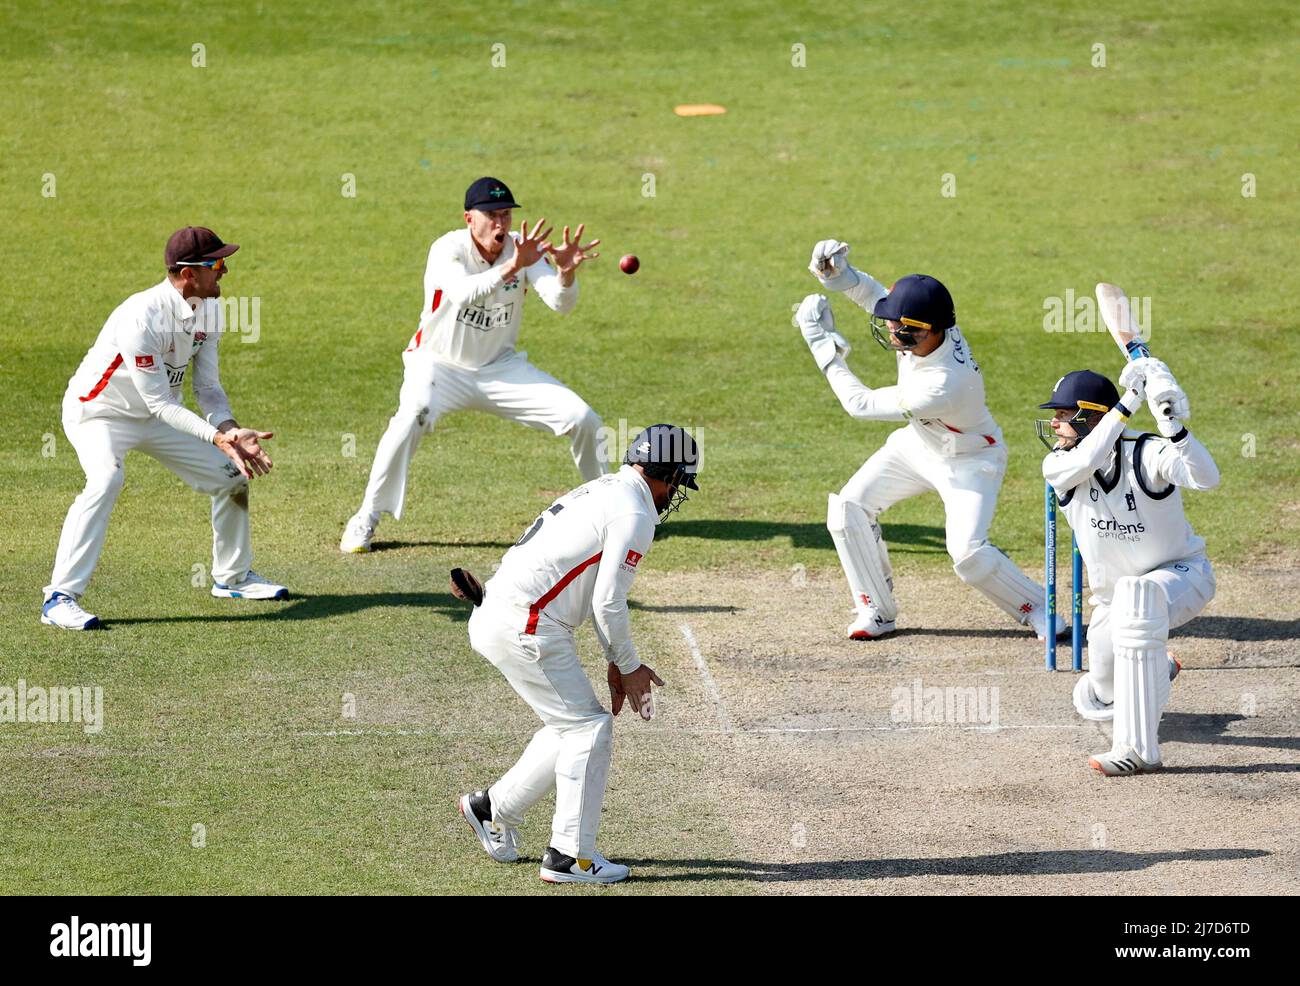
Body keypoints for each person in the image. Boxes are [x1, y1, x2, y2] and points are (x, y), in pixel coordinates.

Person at [452, 424, 699, 884]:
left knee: (570, 726)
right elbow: (607, 601)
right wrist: (629, 666)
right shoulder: (636, 514)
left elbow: (593, 592)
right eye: (678, 481)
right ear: (663, 472)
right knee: (589, 727)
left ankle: (492, 808)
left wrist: (613, 658)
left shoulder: (606, 487)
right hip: (526, 624)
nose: (675, 493)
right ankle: (570, 858)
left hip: (504, 613)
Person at [795, 239, 1060, 640]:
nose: (890, 329)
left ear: (931, 331)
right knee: (848, 508)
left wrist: (821, 344)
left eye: (901, 327)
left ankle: (1039, 607)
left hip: (971, 460)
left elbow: (860, 403)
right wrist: (836, 274)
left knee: (967, 554)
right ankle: (877, 611)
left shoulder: (943, 384)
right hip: (919, 445)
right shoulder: (921, 326)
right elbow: (874, 295)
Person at [340, 177, 607, 553]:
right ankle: (366, 516)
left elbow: (561, 304)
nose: (501, 224)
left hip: (500, 368)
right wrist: (515, 265)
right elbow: (464, 293)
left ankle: (608, 513)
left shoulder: (521, 250)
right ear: (469, 218)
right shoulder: (447, 248)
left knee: (583, 418)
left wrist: (565, 272)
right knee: (413, 414)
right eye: (491, 215)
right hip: (437, 364)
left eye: (506, 215)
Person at [42, 226, 285, 630]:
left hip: (155, 417)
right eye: (218, 264)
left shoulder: (209, 308)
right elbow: (160, 401)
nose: (225, 271)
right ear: (189, 273)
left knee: (231, 475)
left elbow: (207, 388)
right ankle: (59, 597)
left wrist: (229, 429)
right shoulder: (142, 317)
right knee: (106, 479)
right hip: (99, 413)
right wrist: (216, 437)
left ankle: (233, 578)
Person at [1037, 364, 1218, 775]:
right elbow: (1091, 456)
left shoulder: (1148, 452)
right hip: (1111, 604)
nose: (1054, 423)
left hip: (1182, 576)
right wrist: (1130, 400)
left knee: (1139, 598)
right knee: (1102, 695)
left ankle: (1138, 751)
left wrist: (1172, 424)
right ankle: (1155, 668)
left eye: (1064, 415)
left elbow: (1207, 478)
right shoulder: (1059, 466)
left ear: (1091, 416)